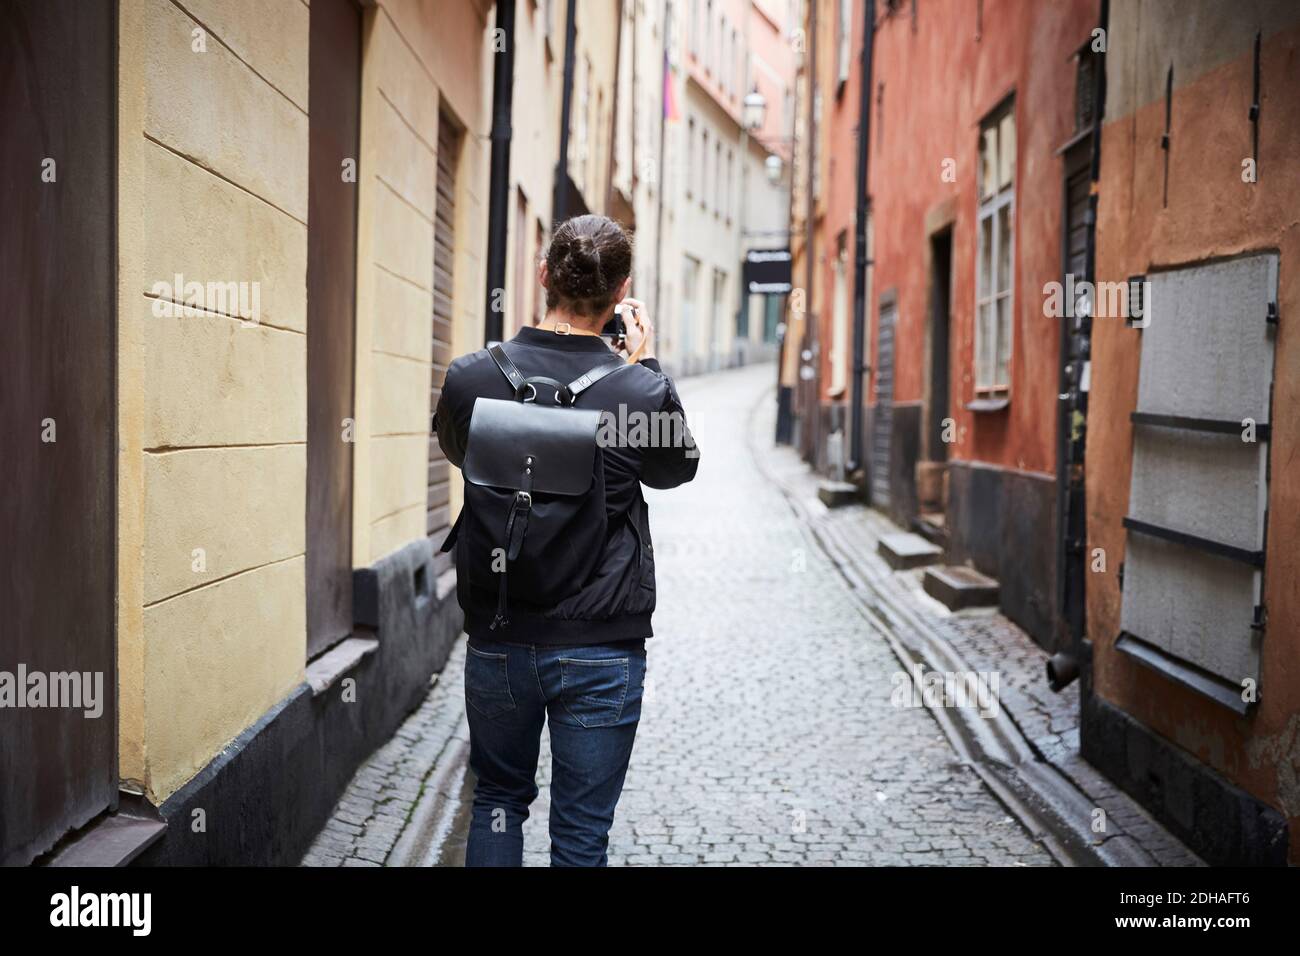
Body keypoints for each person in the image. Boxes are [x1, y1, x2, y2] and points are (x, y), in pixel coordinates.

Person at [433, 214, 699, 866]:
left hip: (500, 635)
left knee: (497, 800)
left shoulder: (472, 377)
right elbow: (675, 469)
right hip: (601, 642)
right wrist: (646, 365)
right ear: (621, 293)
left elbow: (457, 449)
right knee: (581, 835)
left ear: (545, 274)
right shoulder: (640, 391)